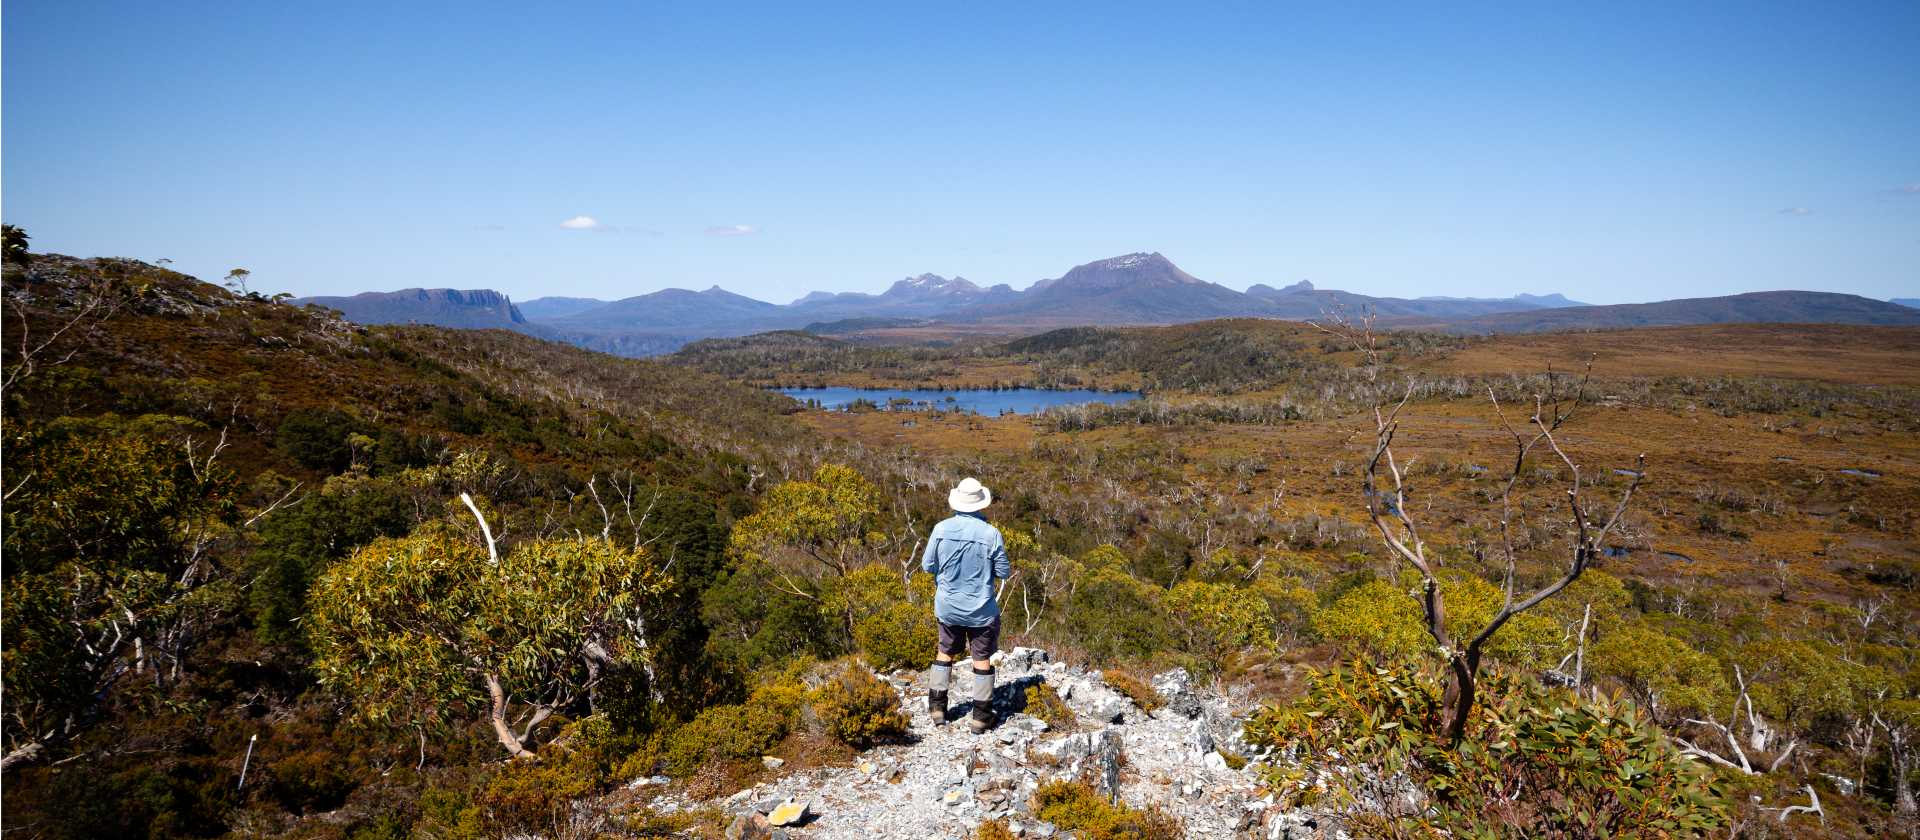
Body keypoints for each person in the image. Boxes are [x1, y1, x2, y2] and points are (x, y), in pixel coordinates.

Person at [922, 477, 1011, 733]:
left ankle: (937, 709)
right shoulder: (991, 534)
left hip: (948, 606)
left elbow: (927, 565)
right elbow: (1003, 571)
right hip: (981, 610)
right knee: (981, 658)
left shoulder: (940, 529)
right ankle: (980, 718)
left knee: (945, 652)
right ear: (980, 504)